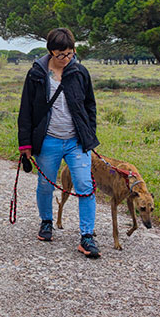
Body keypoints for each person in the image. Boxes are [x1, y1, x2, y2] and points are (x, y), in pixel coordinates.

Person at [17, 28, 101, 258]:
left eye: (70, 54)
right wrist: (25, 143)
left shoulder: (80, 72)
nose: (66, 59)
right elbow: (26, 110)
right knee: (46, 185)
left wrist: (89, 135)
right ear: (50, 52)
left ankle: (87, 236)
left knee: (85, 186)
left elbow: (90, 106)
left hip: (76, 142)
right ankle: (46, 223)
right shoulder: (36, 74)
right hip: (48, 141)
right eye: (60, 55)